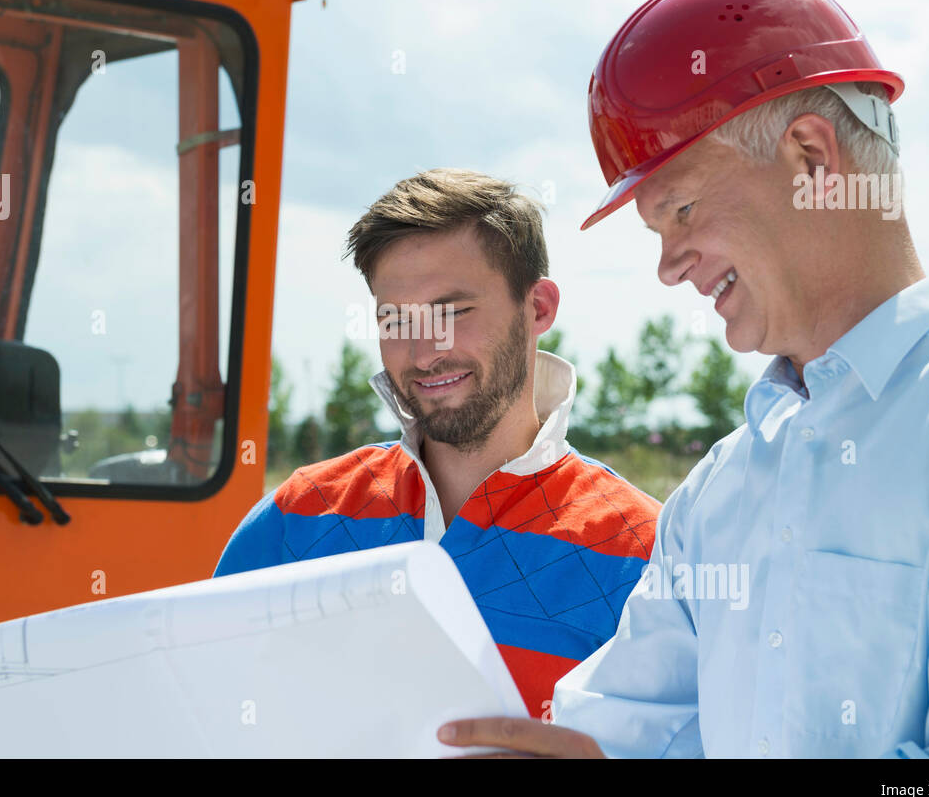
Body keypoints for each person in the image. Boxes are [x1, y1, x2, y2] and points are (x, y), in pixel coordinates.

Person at [438, 0, 929, 758]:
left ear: (811, 157)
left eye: (681, 210)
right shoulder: (721, 490)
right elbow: (621, 738)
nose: (668, 266)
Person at [215, 168, 661, 717]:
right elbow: (202, 714)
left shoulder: (644, 553)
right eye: (395, 319)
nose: (424, 353)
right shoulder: (299, 517)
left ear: (538, 308)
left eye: (451, 312)